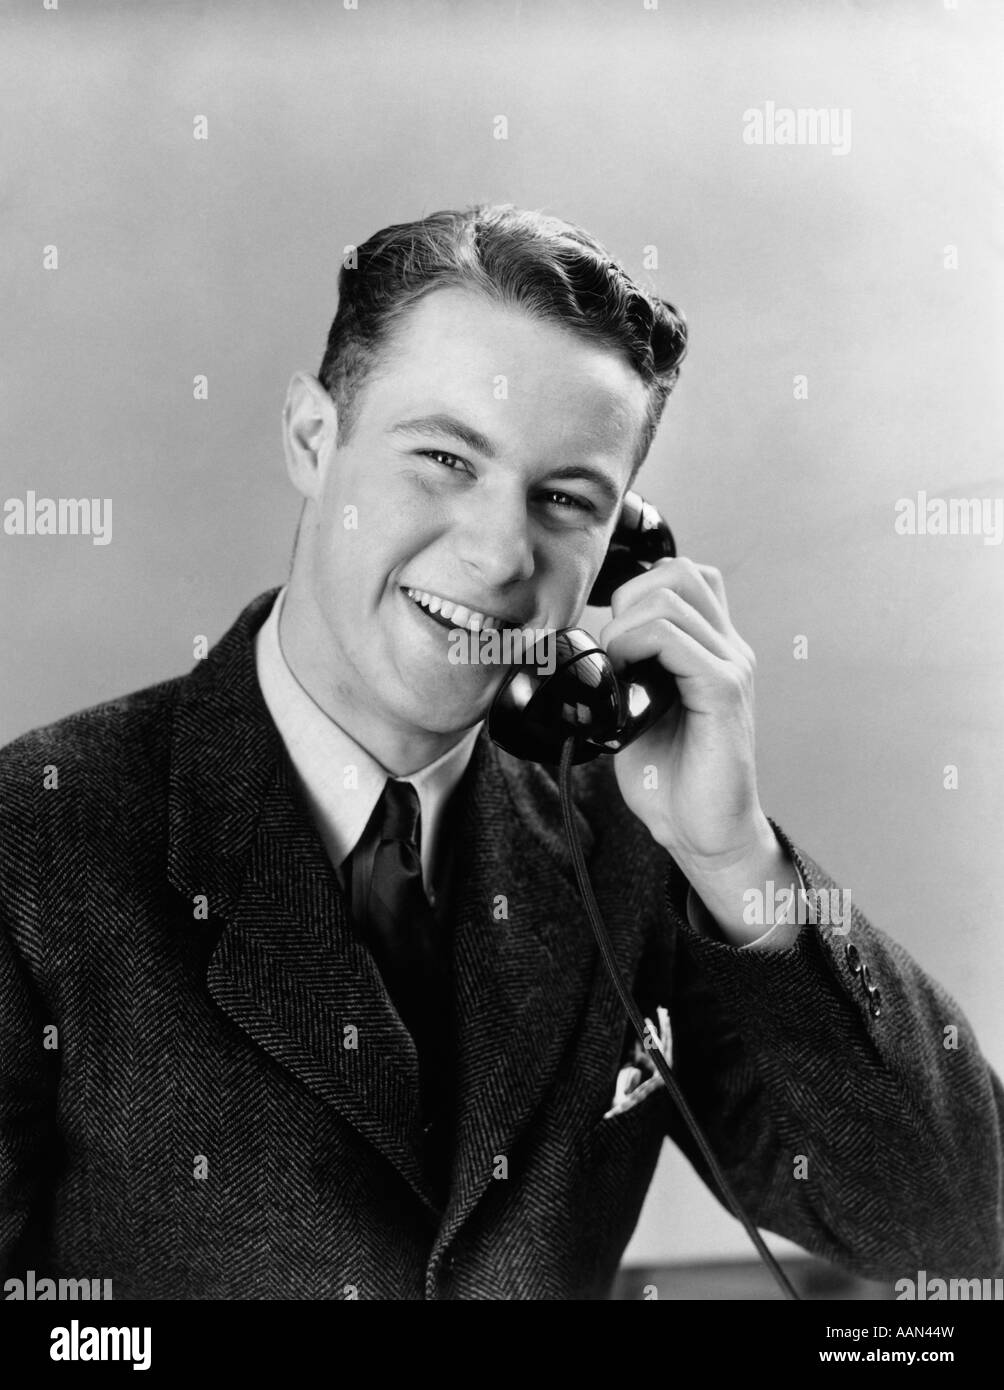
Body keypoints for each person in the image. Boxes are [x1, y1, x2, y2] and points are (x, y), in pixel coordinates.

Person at [1, 205, 1001, 1301]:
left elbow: (954, 1227)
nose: (495, 554)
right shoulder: (36, 841)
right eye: (442, 458)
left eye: (564, 499)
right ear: (310, 437)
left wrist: (735, 861)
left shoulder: (630, 839)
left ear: (621, 547)